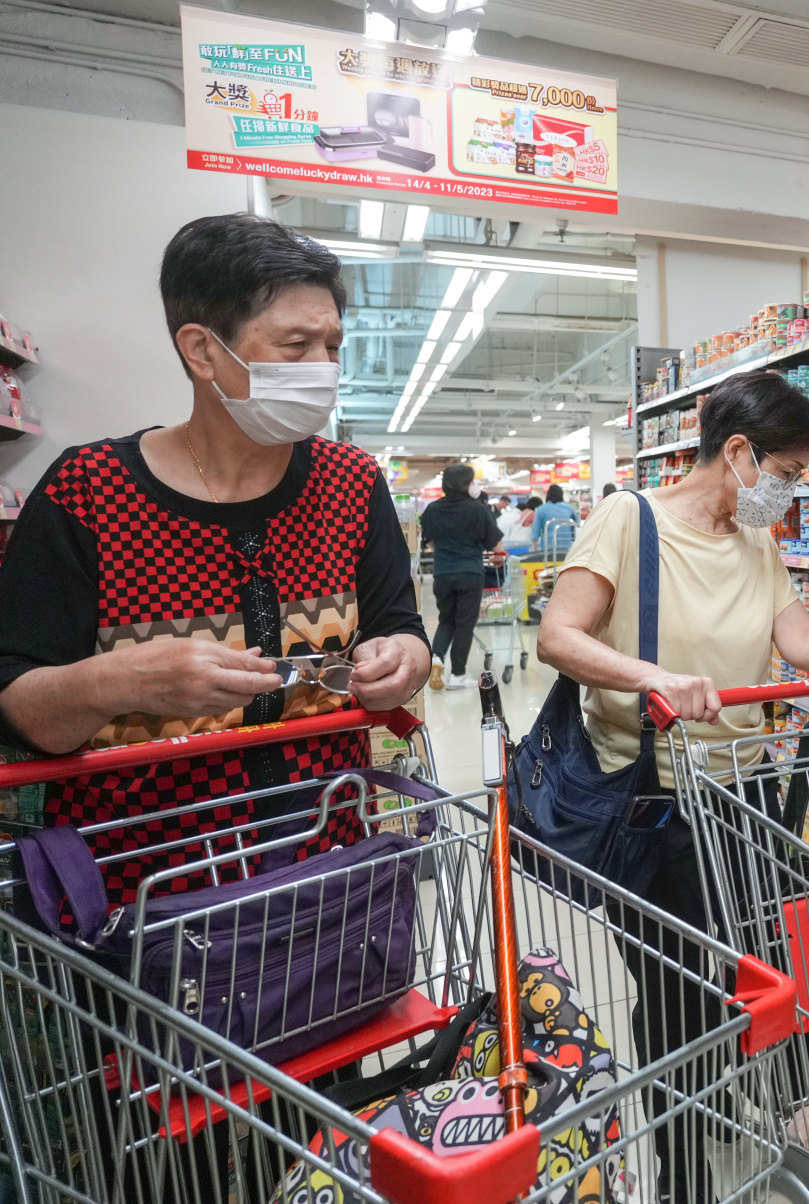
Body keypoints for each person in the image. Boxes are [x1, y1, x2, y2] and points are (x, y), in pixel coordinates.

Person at [0, 211, 429, 1201]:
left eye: (332, 345)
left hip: (329, 902)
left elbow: (403, 628)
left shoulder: (353, 484)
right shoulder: (85, 495)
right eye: (295, 346)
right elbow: (16, 702)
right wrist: (124, 682)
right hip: (154, 924)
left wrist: (401, 661)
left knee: (311, 1147)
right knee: (168, 1164)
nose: (322, 368)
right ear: (203, 348)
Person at [537, 370, 809, 1202]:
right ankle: (683, 1165)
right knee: (679, 988)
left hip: (743, 795)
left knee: (748, 971)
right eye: (787, 473)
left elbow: (794, 639)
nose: (790, 493)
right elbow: (559, 636)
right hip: (655, 799)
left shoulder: (757, 540)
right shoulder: (628, 519)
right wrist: (654, 676)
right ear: (740, 452)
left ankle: (721, 1104)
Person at [420, 463, 503, 690]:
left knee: (446, 619)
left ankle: (436, 658)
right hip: (469, 572)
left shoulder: (432, 509)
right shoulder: (477, 510)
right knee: (465, 623)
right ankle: (457, 675)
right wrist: (498, 557)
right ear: (466, 484)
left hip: (443, 573)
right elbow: (496, 545)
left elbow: (429, 543)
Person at [530, 482, 579, 557]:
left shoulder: (542, 509)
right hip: (567, 548)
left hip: (548, 549)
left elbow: (535, 531)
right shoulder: (569, 508)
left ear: (548, 495)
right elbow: (577, 526)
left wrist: (534, 550)